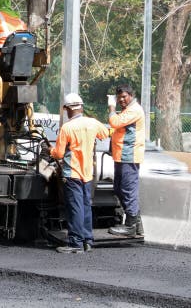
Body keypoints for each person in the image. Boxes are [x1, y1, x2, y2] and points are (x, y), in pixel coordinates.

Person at [47, 93, 110, 253]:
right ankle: (88, 241)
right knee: (86, 206)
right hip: (87, 174)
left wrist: (50, 151)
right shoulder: (93, 123)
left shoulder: (67, 128)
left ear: (68, 109)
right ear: (81, 107)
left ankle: (75, 242)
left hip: (72, 173)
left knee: (75, 207)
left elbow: (60, 154)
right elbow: (105, 134)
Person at [106, 84, 146, 237]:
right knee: (119, 189)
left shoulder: (134, 110)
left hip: (129, 156)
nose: (121, 100)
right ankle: (137, 224)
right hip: (122, 156)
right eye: (119, 97)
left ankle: (130, 226)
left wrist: (111, 108)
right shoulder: (127, 110)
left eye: (124, 96)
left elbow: (115, 122)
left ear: (131, 95)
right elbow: (119, 128)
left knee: (128, 190)